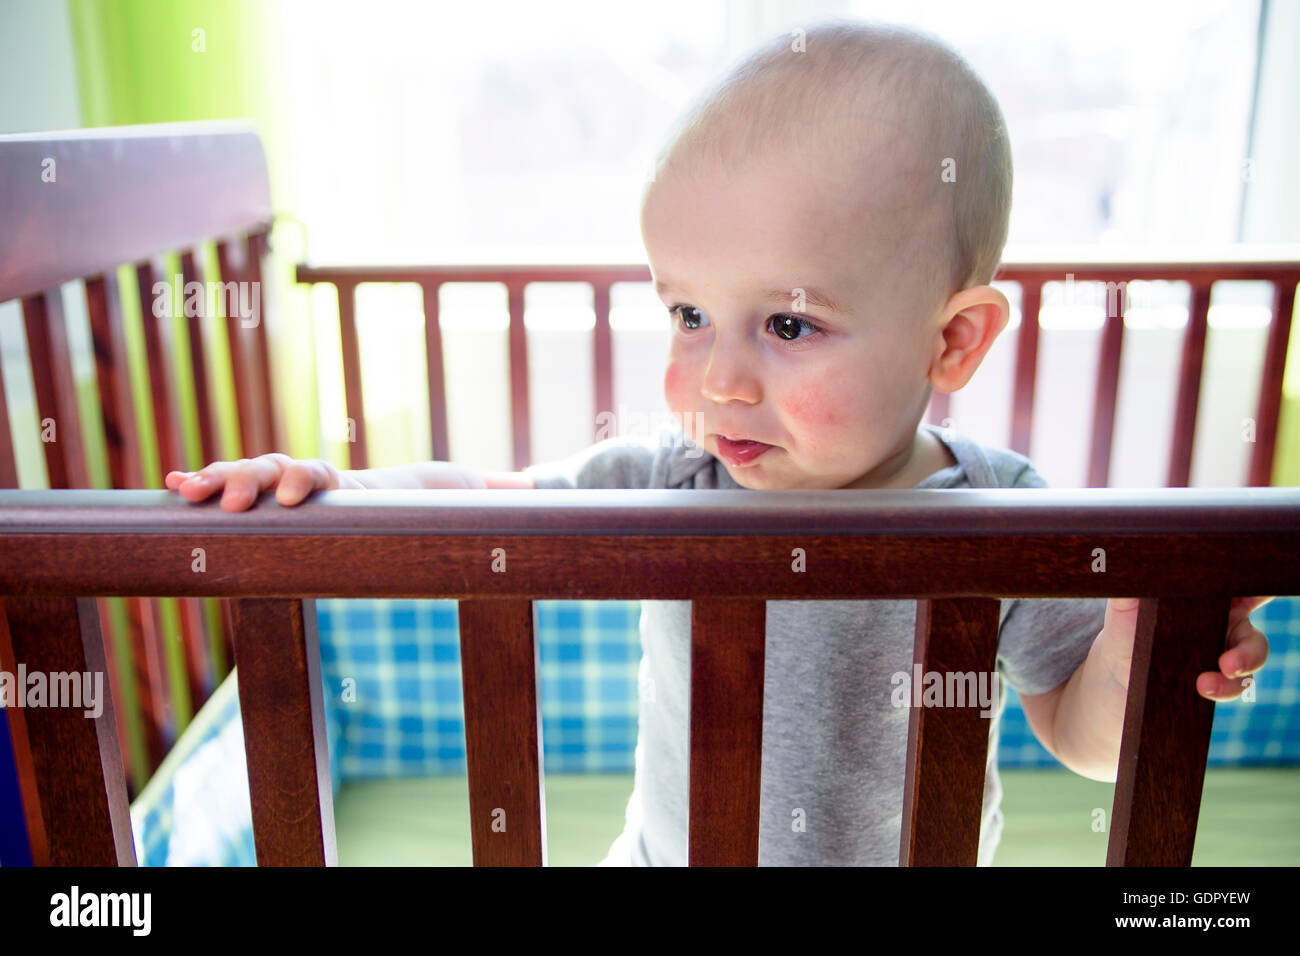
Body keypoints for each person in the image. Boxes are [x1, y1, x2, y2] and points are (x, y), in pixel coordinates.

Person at [166, 19, 1271, 865]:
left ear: (952, 339)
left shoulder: (1003, 513)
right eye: (687, 313)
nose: (718, 375)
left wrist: (1138, 644)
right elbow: (485, 494)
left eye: (787, 324)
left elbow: (1083, 738)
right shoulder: (672, 475)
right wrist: (337, 485)